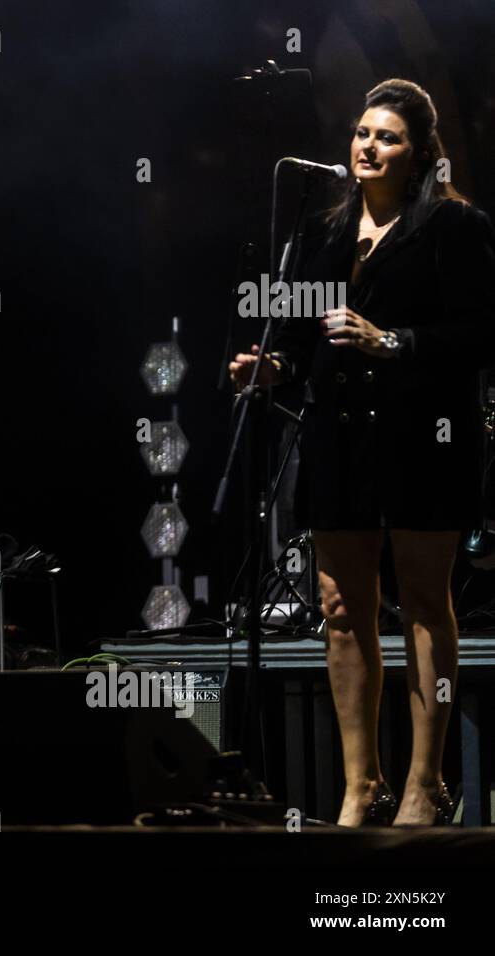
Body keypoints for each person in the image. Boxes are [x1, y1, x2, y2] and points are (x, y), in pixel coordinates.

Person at [230, 79, 495, 826]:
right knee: (340, 607)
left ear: (419, 156)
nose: (367, 146)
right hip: (338, 435)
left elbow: (481, 333)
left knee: (422, 603)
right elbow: (292, 341)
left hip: (423, 437)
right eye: (360, 133)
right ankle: (358, 785)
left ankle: (424, 783)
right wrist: (268, 369)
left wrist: (393, 341)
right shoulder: (320, 235)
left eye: (387, 137)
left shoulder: (453, 227)